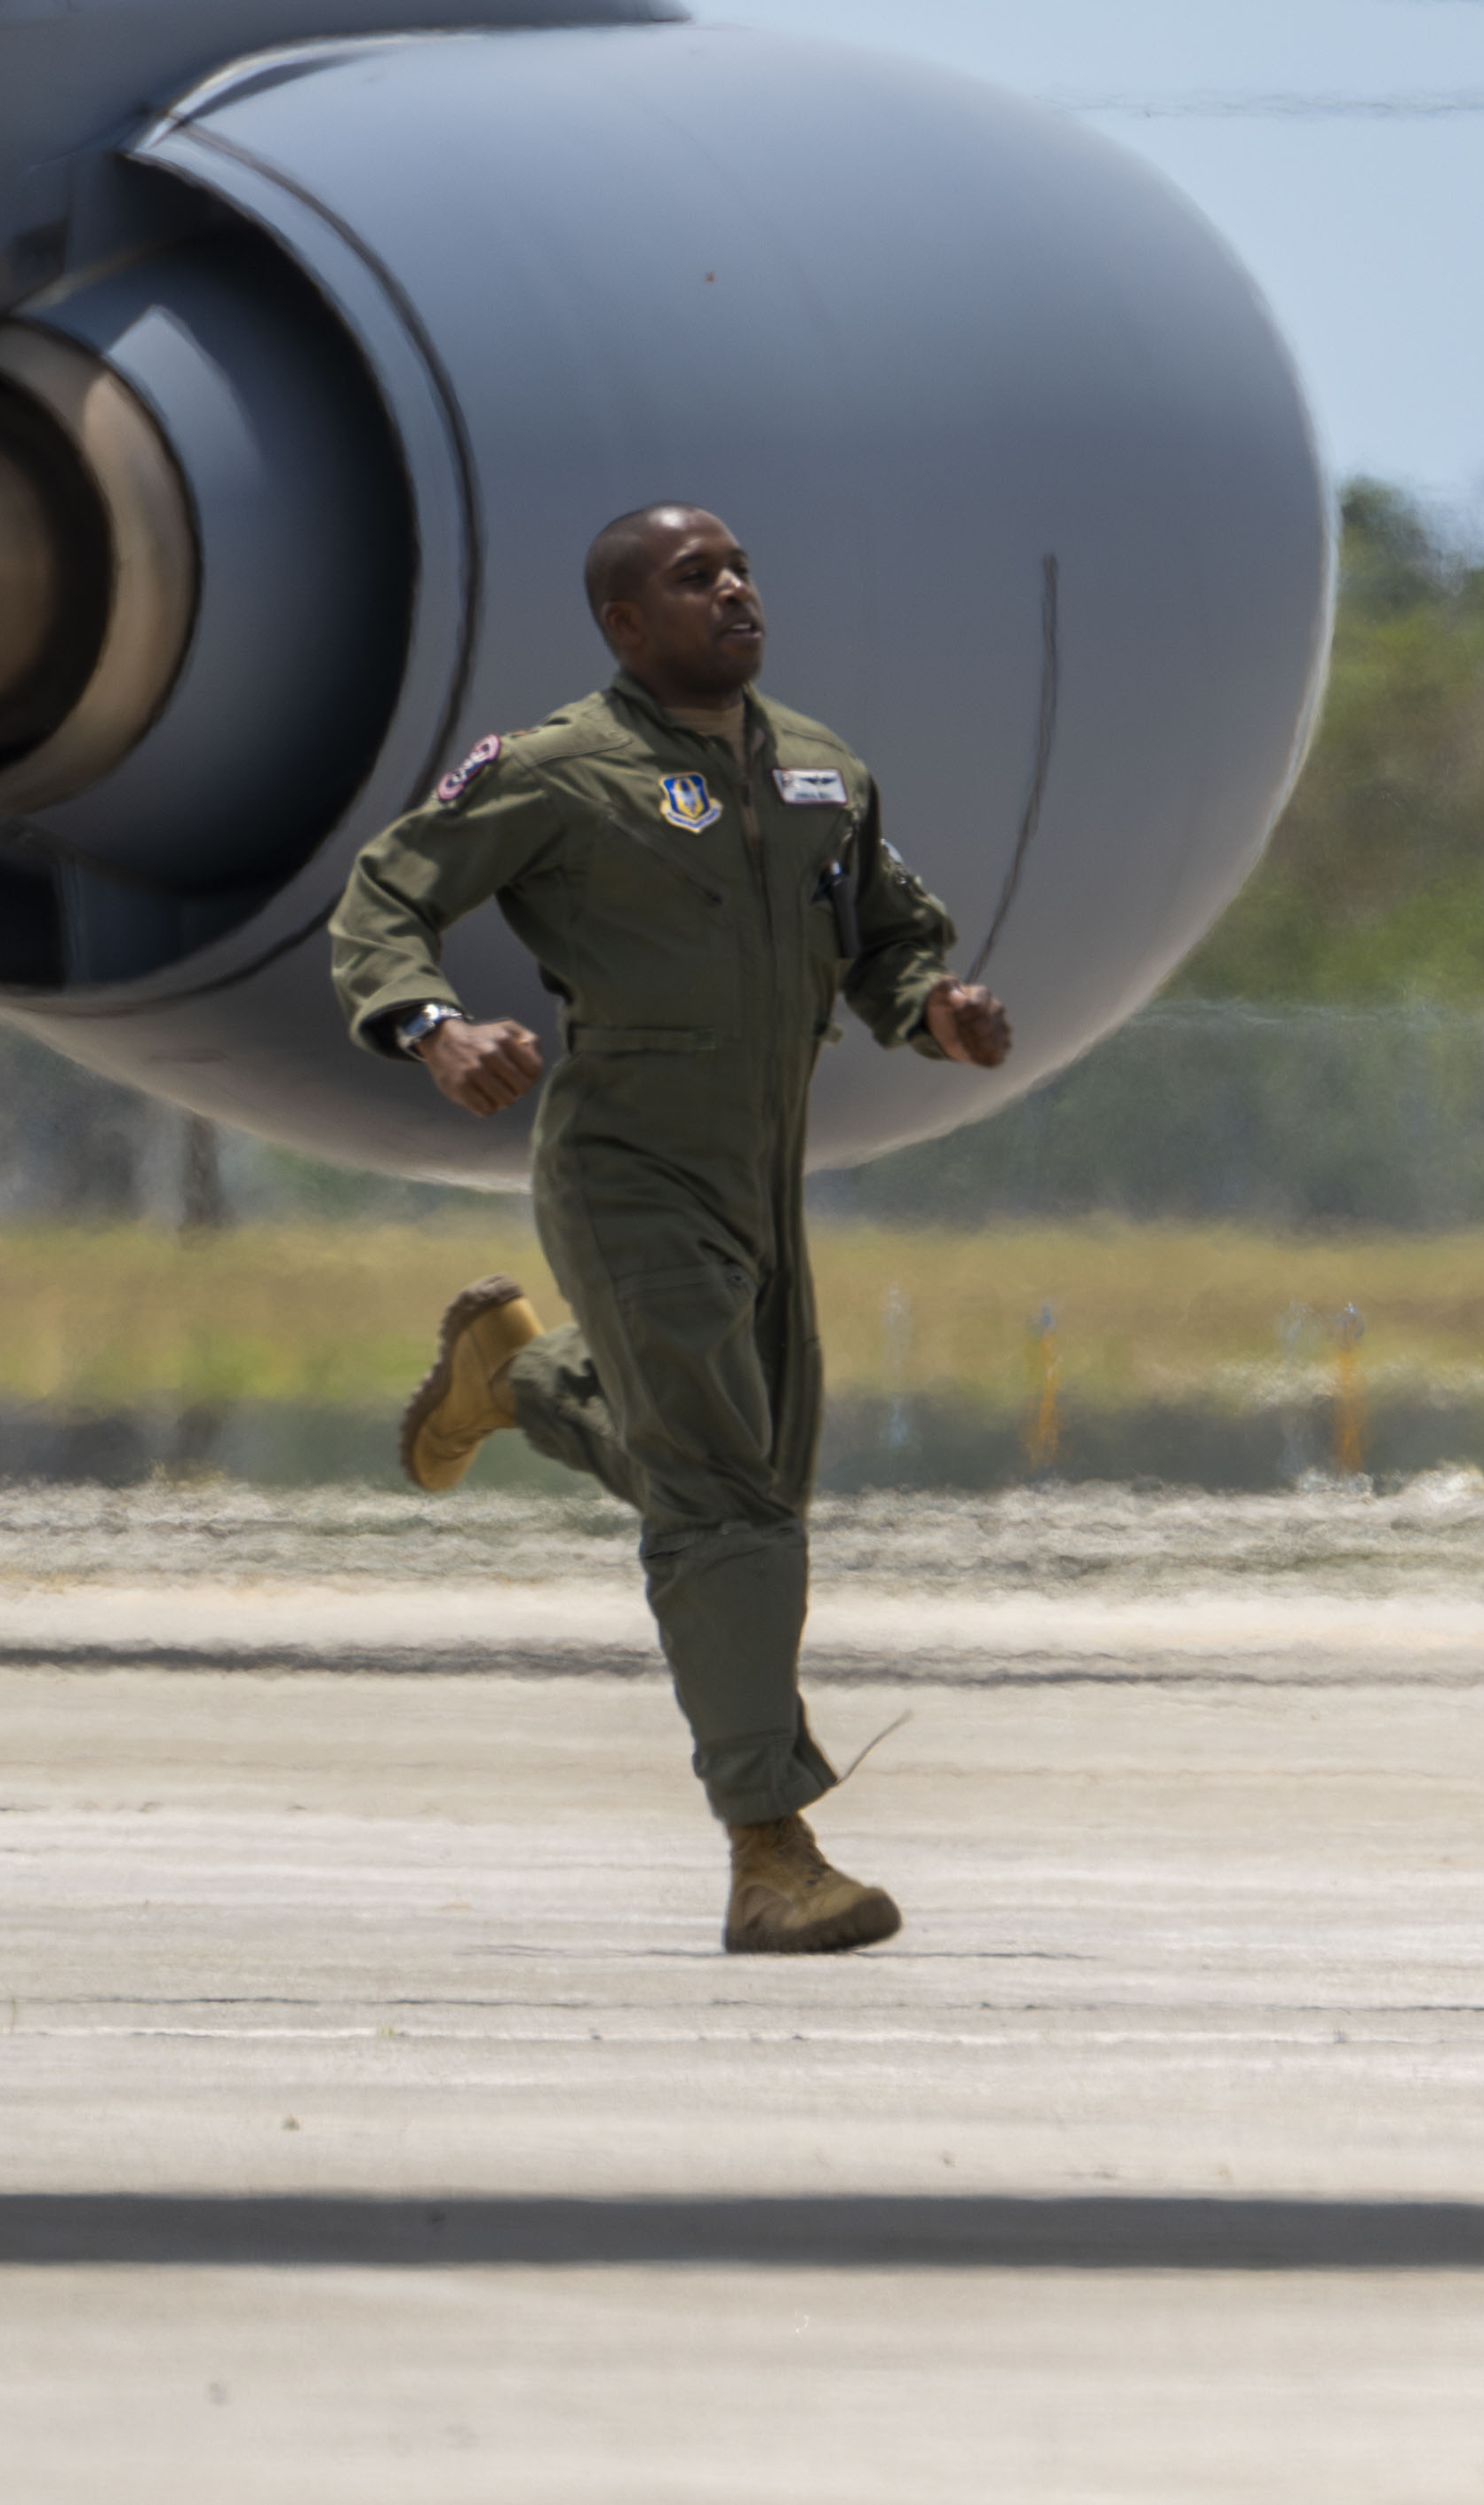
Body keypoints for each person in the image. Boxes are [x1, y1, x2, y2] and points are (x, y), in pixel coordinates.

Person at [330, 504, 1013, 1956]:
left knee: (754, 1489)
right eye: (696, 579)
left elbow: (889, 938)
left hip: (762, 1181)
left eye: (742, 568)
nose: (736, 591)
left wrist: (931, 1010)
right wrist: (437, 1030)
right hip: (627, 1168)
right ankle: (771, 1852)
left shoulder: (822, 769)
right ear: (626, 627)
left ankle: (522, 1379)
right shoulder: (557, 771)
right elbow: (386, 894)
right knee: (727, 1508)